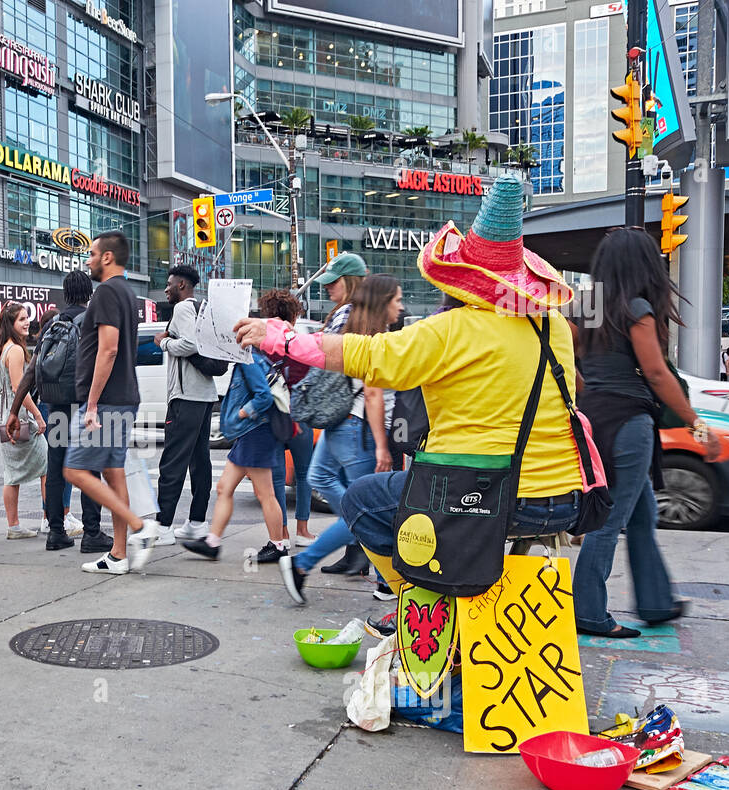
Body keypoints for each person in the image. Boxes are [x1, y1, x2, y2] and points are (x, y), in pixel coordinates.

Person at [236, 175, 583, 608]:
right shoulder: (554, 327)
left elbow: (368, 355)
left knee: (363, 500)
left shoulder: (451, 329)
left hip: (486, 497)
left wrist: (282, 339)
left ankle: (421, 608)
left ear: (460, 277)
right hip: (564, 499)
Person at [571, 228, 721, 637]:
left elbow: (574, 365)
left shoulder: (587, 308)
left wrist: (595, 396)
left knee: (642, 514)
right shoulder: (636, 308)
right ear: (643, 266)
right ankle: (588, 611)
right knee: (610, 519)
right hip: (628, 423)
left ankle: (655, 602)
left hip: (595, 419)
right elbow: (655, 372)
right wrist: (698, 425)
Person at [57, 231, 160, 574]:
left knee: (74, 469)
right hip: (123, 397)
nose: (87, 260)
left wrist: (91, 404)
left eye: (91, 254)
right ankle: (118, 555)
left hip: (106, 402)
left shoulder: (104, 293)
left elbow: (109, 348)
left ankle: (140, 527)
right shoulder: (128, 294)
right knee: (114, 475)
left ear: (106, 258)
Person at [289, 275, 397, 592]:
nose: (401, 306)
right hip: (359, 425)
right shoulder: (375, 336)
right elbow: (374, 393)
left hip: (343, 421)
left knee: (324, 480)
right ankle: (383, 582)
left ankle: (379, 574)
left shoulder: (352, 328)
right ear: (382, 303)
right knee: (365, 509)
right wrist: (381, 446)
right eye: (397, 300)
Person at [3, 271, 110, 554]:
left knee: (55, 469)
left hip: (58, 406)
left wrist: (14, 410)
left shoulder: (54, 325)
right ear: (89, 293)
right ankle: (92, 533)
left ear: (65, 294)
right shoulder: (92, 322)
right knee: (89, 468)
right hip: (85, 407)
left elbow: (32, 372)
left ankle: (56, 533)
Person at [180, 346, 287, 560]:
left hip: (255, 432)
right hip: (249, 434)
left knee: (265, 493)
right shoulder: (248, 360)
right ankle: (212, 542)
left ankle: (278, 546)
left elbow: (263, 397)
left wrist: (241, 413)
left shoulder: (250, 361)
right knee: (224, 488)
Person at [307, 251, 369, 574]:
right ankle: (358, 545)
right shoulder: (358, 311)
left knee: (366, 501)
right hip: (349, 412)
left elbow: (325, 353)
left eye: (333, 283)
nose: (328, 289)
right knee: (323, 478)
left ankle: (367, 546)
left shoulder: (349, 311)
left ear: (349, 282)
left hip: (350, 412)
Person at [152, 265, 217, 546]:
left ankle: (164, 525)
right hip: (203, 395)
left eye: (169, 284)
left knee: (173, 462)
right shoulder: (201, 308)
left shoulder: (181, 310)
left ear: (181, 285)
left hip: (186, 396)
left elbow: (189, 343)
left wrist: (165, 343)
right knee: (199, 461)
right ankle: (197, 523)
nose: (166, 289)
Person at [258, 289, 314, 557]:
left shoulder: (262, 346)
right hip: (300, 416)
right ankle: (303, 529)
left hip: (272, 418)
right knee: (304, 475)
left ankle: (282, 532)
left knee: (277, 478)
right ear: (292, 315)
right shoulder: (298, 343)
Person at [0, 302, 49, 538]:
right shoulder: (14, 350)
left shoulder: (3, 348)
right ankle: (50, 519)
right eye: (22, 319)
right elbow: (18, 388)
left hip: (2, 416)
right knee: (47, 465)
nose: (27, 323)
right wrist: (37, 414)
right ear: (11, 324)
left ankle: (14, 526)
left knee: (11, 474)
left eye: (27, 318)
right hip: (17, 419)